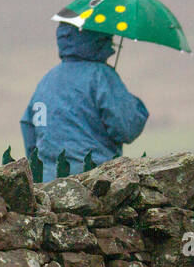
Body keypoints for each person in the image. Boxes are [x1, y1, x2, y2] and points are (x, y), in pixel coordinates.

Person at [20, 23, 148, 180]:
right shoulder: (101, 75)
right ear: (99, 38)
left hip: (48, 182)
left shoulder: (47, 80)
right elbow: (126, 128)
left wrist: (44, 166)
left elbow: (28, 125)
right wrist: (134, 106)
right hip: (94, 179)